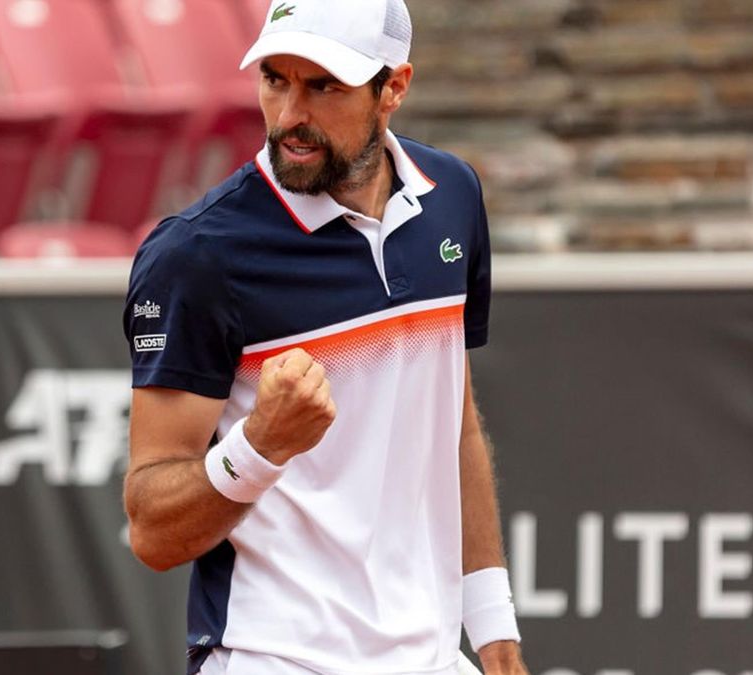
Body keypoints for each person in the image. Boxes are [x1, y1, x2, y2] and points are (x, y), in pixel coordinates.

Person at [122, 1, 528, 673]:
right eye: (275, 79)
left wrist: (496, 637)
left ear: (393, 87)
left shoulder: (452, 195)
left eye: (323, 86)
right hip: (271, 658)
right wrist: (258, 446)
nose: (289, 115)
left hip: (431, 659)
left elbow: (453, 428)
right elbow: (152, 531)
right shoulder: (196, 256)